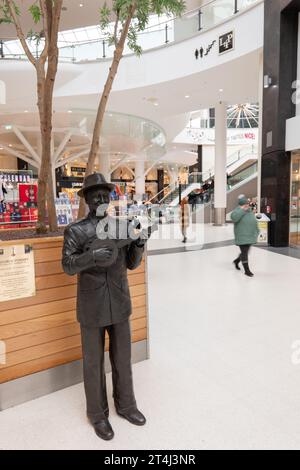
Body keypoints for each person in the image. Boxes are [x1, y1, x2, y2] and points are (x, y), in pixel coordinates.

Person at [62, 173, 148, 441]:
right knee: (93, 362)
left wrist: (139, 244)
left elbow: (132, 264)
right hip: (91, 306)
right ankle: (97, 414)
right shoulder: (75, 231)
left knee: (123, 358)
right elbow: (67, 265)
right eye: (95, 194)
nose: (100, 198)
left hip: (120, 301)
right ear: (86, 199)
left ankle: (127, 405)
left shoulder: (122, 227)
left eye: (105, 194)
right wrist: (91, 257)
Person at [231, 194, 259, 277]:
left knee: (245, 252)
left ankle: (236, 261)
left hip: (250, 235)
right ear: (240, 205)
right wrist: (242, 210)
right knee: (244, 253)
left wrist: (257, 230)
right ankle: (247, 270)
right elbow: (234, 218)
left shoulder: (250, 211)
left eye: (247, 204)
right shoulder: (237, 211)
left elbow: (253, 221)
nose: (246, 205)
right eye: (244, 204)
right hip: (242, 236)